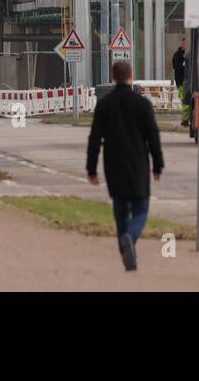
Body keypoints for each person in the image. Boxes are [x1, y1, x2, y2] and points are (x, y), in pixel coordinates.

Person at [86, 60, 164, 272]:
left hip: (113, 166)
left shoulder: (104, 105)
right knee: (141, 208)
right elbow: (153, 138)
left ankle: (126, 253)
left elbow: (94, 139)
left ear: (113, 77)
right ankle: (131, 237)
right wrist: (158, 166)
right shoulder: (143, 105)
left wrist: (91, 170)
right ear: (131, 76)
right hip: (138, 164)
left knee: (120, 210)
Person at [172, 41, 190, 126]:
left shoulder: (186, 55)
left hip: (185, 82)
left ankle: (186, 118)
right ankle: (185, 119)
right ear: (181, 45)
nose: (185, 46)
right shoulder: (177, 55)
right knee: (184, 100)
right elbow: (176, 67)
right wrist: (183, 65)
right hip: (181, 83)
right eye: (184, 44)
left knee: (185, 101)